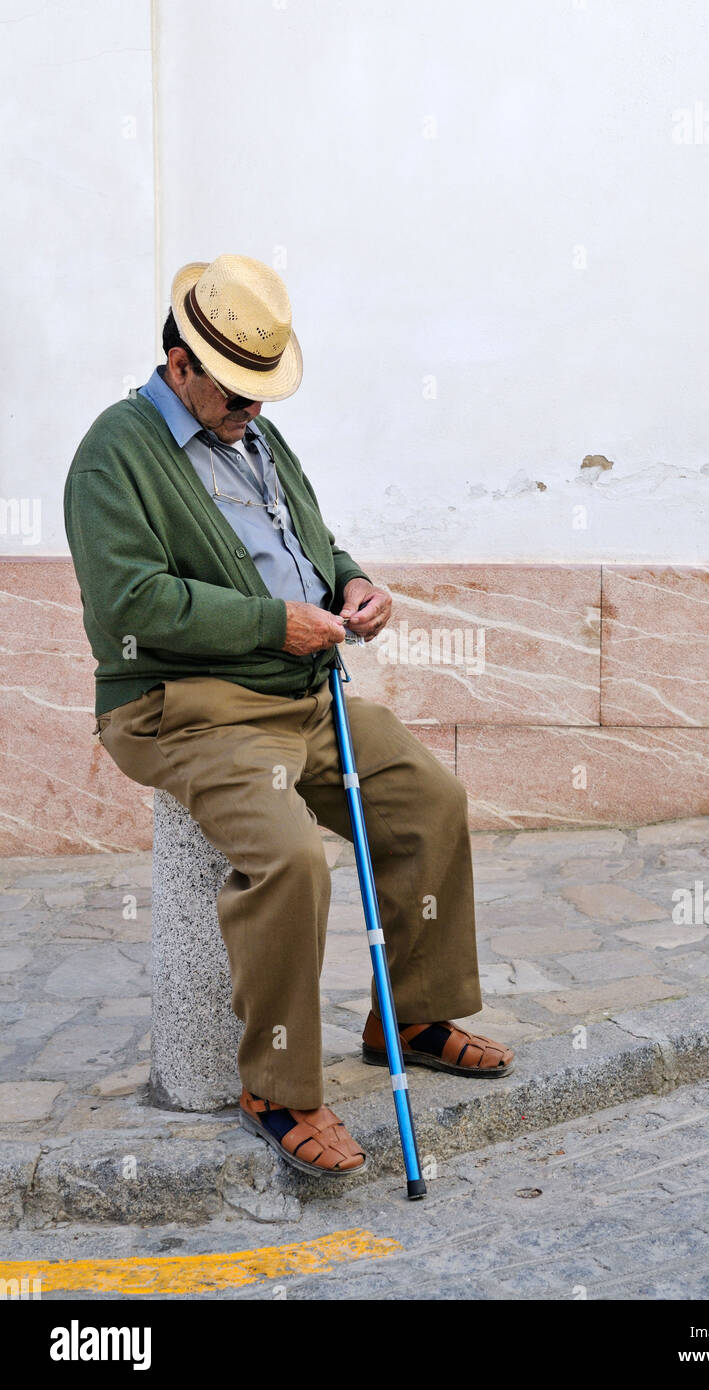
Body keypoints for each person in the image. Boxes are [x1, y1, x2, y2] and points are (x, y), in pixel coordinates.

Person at [64, 253, 514, 1179]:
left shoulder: (255, 441)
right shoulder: (114, 453)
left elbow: (304, 543)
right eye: (236, 393)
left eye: (262, 395)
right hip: (186, 708)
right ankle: (275, 1086)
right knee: (290, 858)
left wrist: (349, 582)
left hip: (301, 691)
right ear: (180, 363)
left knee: (430, 801)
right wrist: (276, 623)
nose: (252, 411)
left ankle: (411, 1015)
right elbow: (133, 603)